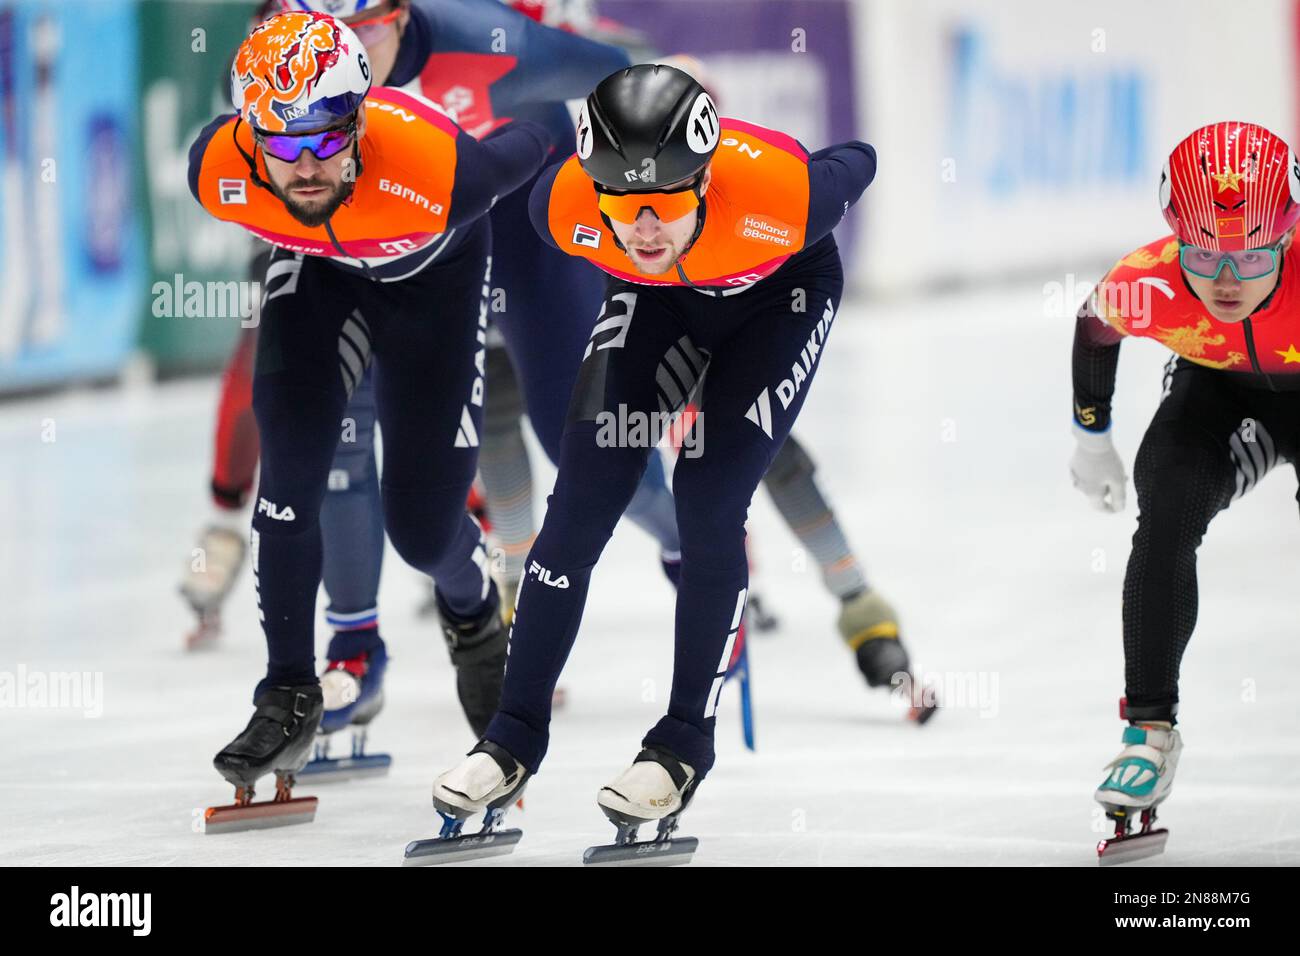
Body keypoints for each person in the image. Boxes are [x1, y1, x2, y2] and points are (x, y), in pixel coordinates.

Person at [431, 64, 877, 844]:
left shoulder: (787, 197)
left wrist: (791, 172)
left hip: (779, 296)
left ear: (703, 180)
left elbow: (861, 156)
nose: (641, 227)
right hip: (659, 301)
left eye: (664, 204)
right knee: (576, 506)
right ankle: (510, 737)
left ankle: (679, 748)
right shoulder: (559, 206)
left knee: (709, 500)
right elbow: (626, 236)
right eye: (623, 206)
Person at [187, 10, 552, 819]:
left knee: (423, 530)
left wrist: (574, 121)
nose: (307, 165)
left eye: (327, 139)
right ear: (249, 138)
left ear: (360, 121)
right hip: (319, 282)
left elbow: (529, 144)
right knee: (286, 482)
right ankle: (287, 690)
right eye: (283, 144)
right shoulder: (217, 171)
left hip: (435, 284)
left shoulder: (440, 169)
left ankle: (474, 610)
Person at [1070, 120, 1300, 859]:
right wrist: (1092, 440)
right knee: (1164, 506)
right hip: (1220, 394)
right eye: (1205, 255)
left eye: (1252, 255)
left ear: (1289, 236)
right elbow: (1095, 326)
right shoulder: (1150, 280)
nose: (1227, 281)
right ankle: (1149, 730)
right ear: (1176, 238)